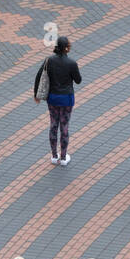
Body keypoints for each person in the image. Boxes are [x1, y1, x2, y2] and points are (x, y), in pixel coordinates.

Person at [33, 36, 81, 166]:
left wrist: (36, 94)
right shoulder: (71, 63)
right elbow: (78, 80)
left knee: (53, 125)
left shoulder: (49, 60)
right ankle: (64, 158)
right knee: (64, 127)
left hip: (52, 98)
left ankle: (54, 156)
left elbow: (39, 76)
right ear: (66, 48)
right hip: (66, 99)